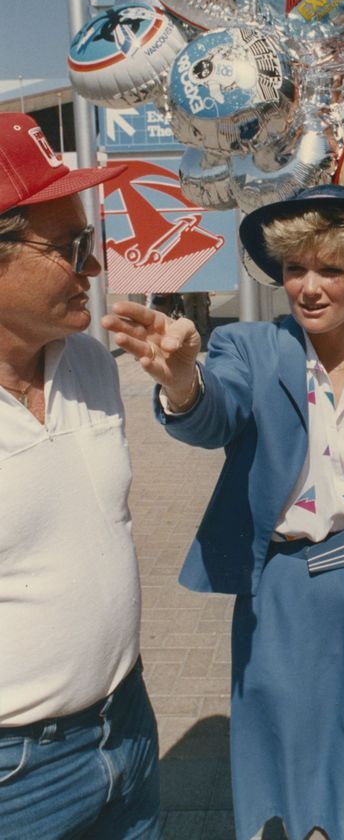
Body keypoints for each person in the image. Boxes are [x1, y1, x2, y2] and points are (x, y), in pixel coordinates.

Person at [103, 184, 344, 840]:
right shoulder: (251, 350)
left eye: (330, 269)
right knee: (285, 763)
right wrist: (182, 381)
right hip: (285, 589)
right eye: (296, 269)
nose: (310, 287)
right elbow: (216, 411)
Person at [0, 113, 160, 838]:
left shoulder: (91, 362)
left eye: (89, 243)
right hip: (18, 778)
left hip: (128, 727)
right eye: (70, 248)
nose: (94, 268)